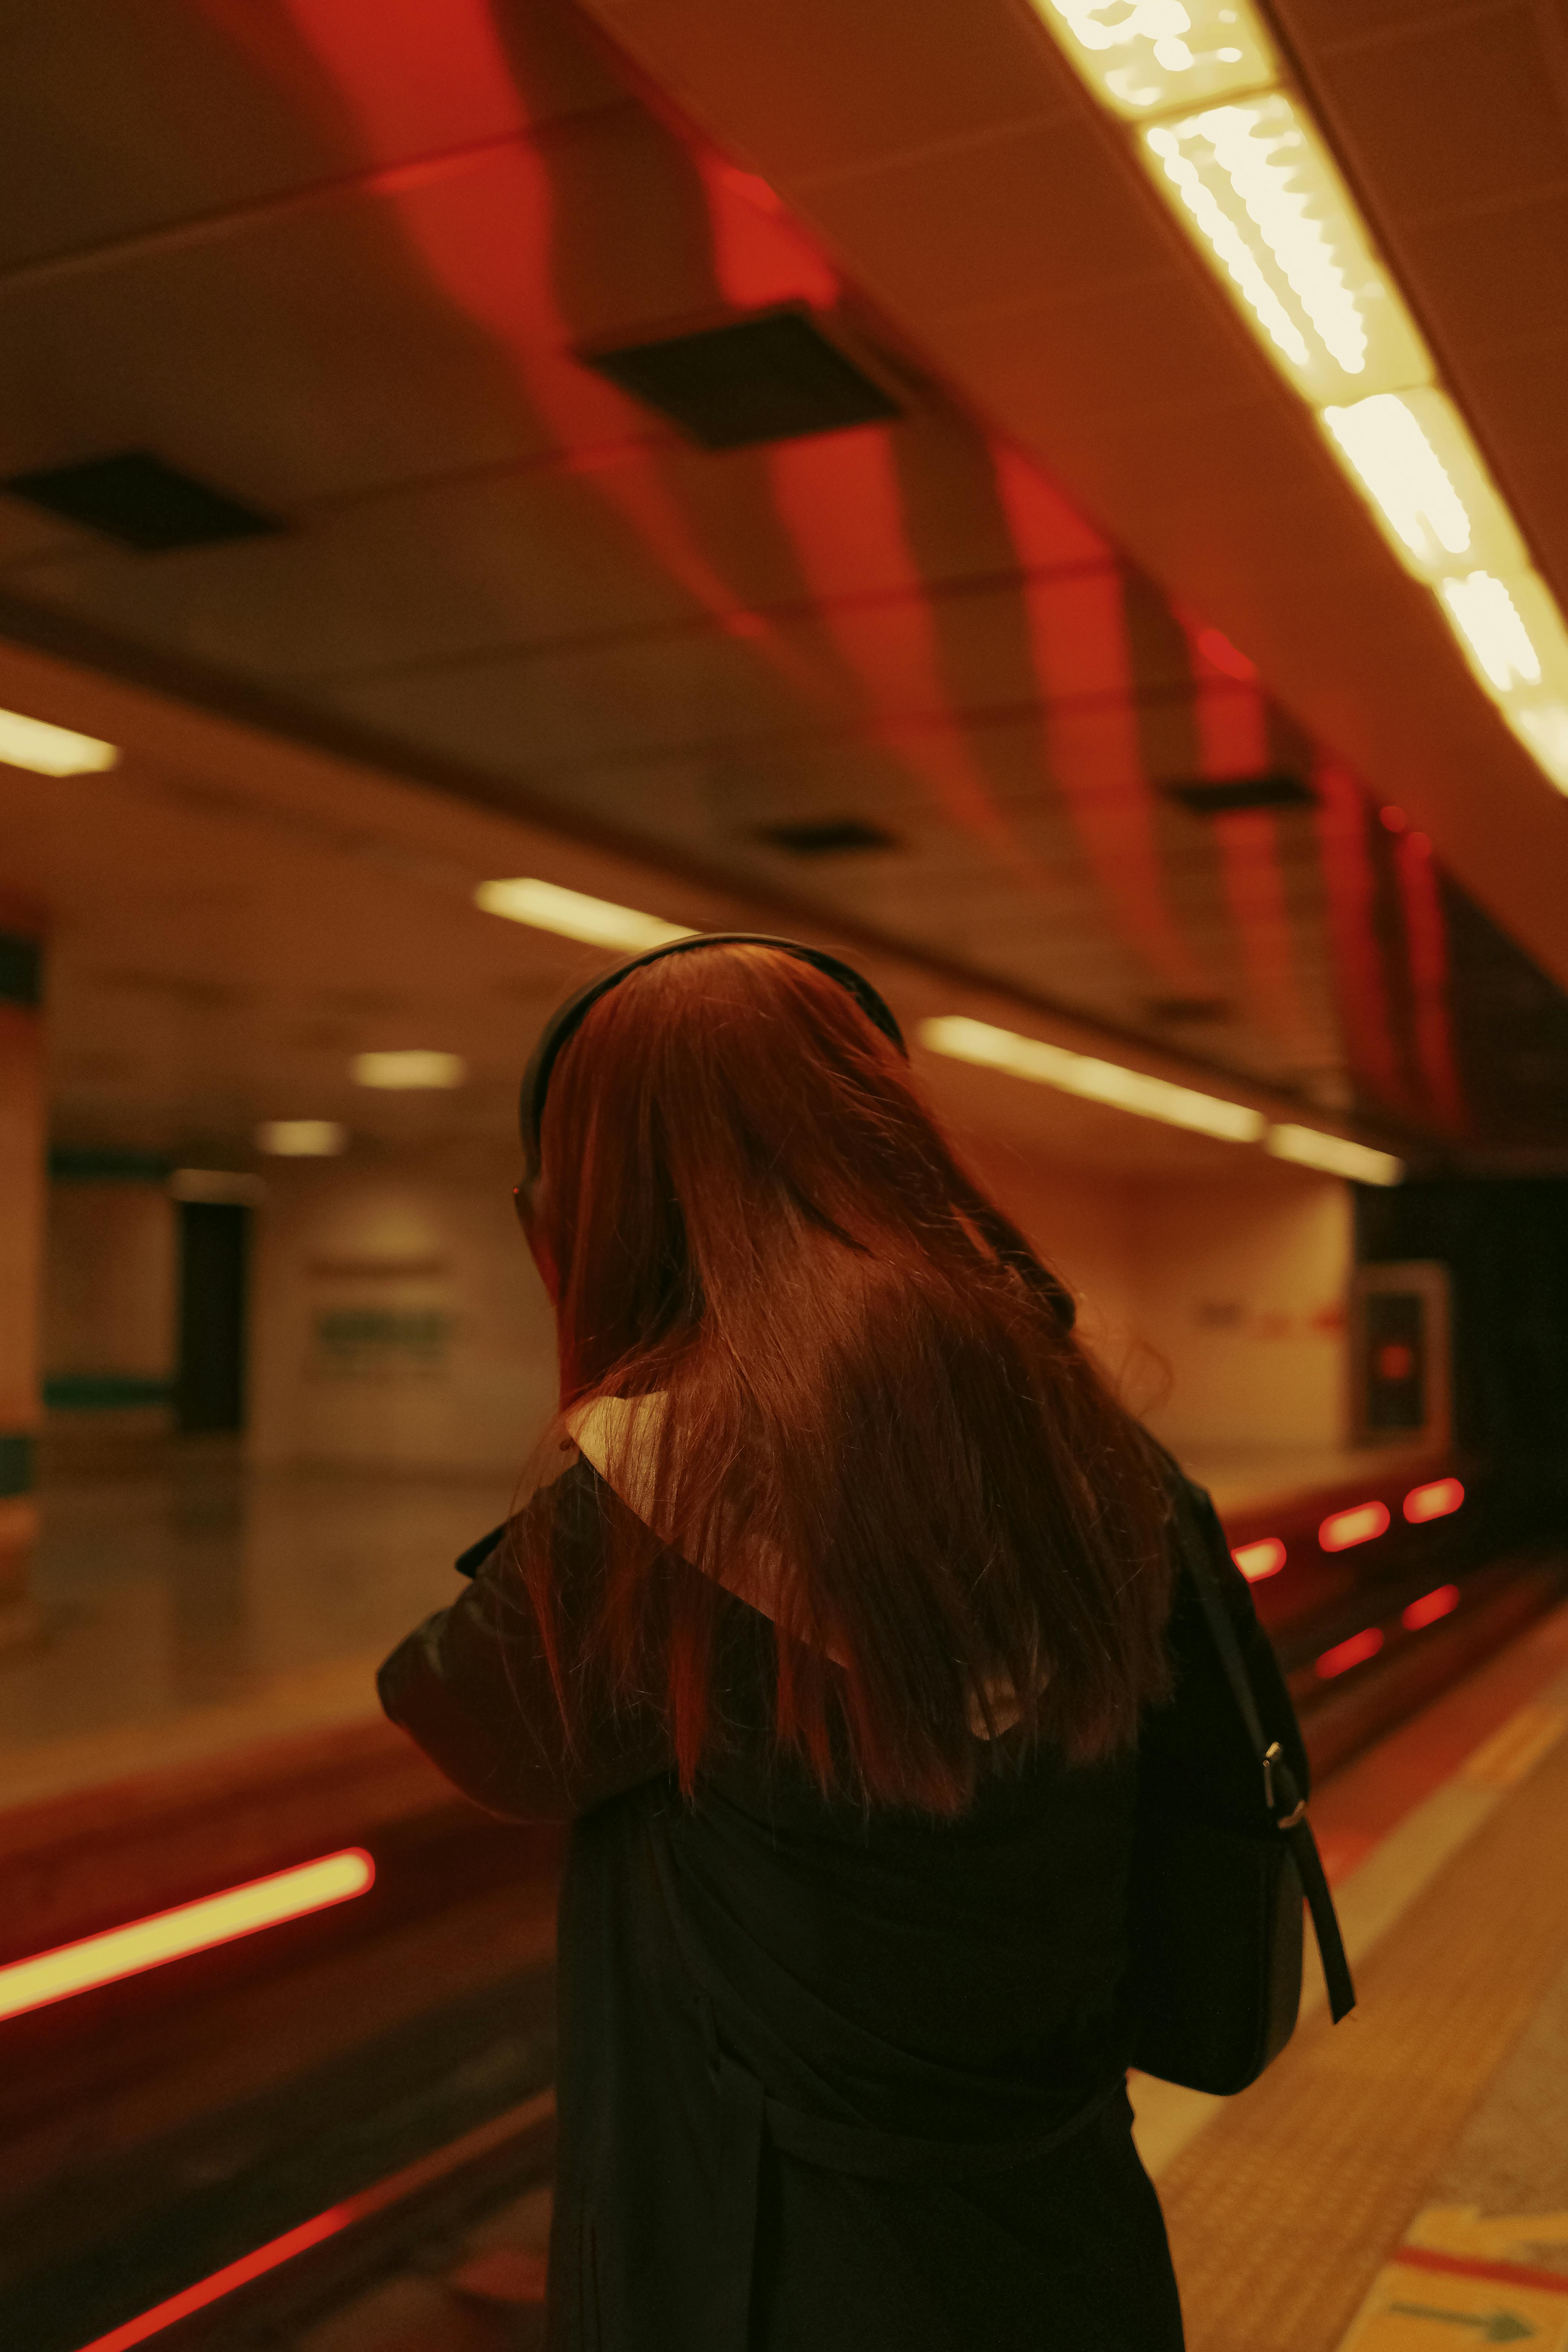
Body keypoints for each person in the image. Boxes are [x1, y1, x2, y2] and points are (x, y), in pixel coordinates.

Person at [378, 936, 1300, 2351]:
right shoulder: (1090, 1434)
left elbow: (466, 1716)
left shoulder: (664, 1486)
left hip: (774, 2264)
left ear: (601, 1201)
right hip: (1067, 2225)